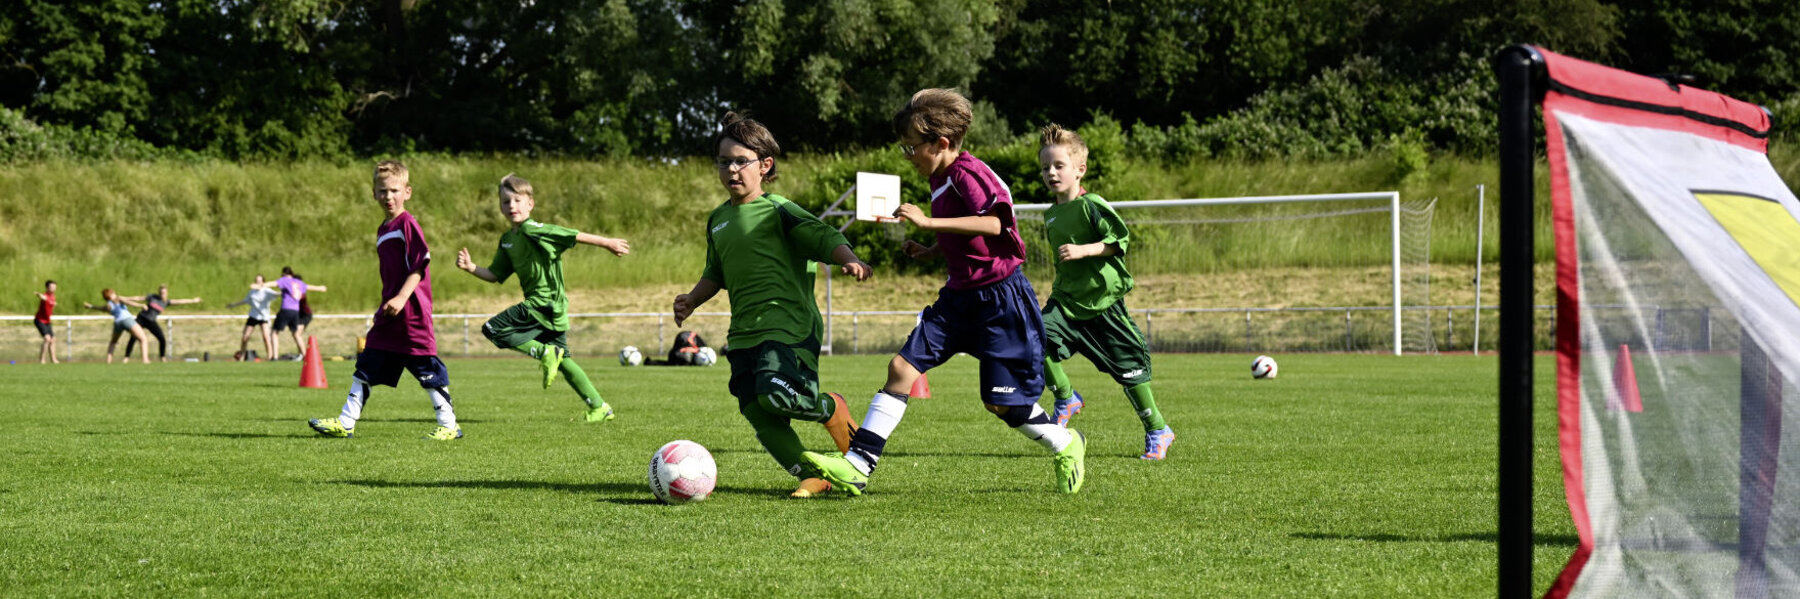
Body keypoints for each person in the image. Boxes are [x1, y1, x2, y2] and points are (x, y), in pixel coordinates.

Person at [803, 89, 1086, 495]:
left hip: (1001, 300)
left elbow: (993, 226)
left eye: (911, 146)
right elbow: (968, 239)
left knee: (1001, 404)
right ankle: (858, 466)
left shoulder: (970, 174)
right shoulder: (940, 177)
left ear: (941, 143)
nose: (908, 155)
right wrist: (932, 250)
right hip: (959, 297)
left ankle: (1066, 443)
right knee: (901, 369)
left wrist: (927, 225)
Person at [673, 113, 871, 498]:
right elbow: (716, 271)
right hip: (745, 331)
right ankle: (814, 475)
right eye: (724, 161)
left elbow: (824, 234)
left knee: (775, 394)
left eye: (740, 160)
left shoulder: (780, 210)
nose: (731, 169)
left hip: (789, 325)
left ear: (764, 166)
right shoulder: (718, 220)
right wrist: (692, 300)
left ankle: (830, 407)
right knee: (758, 410)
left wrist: (848, 258)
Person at [1033, 124, 1173, 460]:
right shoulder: (1050, 214)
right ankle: (1066, 396)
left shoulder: (1092, 204)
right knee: (1032, 339)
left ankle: (1157, 429)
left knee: (1129, 372)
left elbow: (1119, 241)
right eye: (1045, 167)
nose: (1051, 172)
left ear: (1080, 170)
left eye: (1058, 165)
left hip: (1103, 305)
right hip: (1066, 303)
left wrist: (1085, 250)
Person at [455, 173, 629, 424]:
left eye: (517, 200)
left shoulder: (534, 230)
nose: (511, 206)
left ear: (530, 204)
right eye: (506, 202)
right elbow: (495, 275)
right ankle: (599, 407)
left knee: (493, 328)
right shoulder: (508, 240)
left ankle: (544, 352)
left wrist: (607, 242)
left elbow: (571, 234)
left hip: (543, 303)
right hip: (550, 308)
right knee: (565, 359)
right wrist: (471, 268)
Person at [309, 160, 463, 441]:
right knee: (366, 365)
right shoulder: (383, 228)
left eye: (394, 190)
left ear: (407, 192)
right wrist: (389, 302)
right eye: (382, 191)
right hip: (389, 314)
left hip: (412, 314)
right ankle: (346, 422)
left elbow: (420, 265)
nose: (388, 196)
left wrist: (403, 297)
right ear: (373, 194)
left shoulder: (408, 224)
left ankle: (449, 423)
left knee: (426, 368)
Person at [123, 284, 202, 362]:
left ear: (166, 293)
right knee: (133, 338)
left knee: (162, 339)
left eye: (163, 293)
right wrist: (125, 299)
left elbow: (180, 301)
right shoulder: (152, 297)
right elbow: (139, 298)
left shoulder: (166, 302)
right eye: (161, 292)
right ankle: (126, 357)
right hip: (141, 318)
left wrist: (193, 300)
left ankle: (162, 357)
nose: (162, 294)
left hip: (151, 321)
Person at [270, 268, 327, 360]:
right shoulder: (298, 289)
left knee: (295, 334)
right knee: (295, 334)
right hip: (296, 313)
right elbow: (309, 287)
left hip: (304, 315)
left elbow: (303, 290)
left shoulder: (297, 291)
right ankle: (303, 355)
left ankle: (304, 355)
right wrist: (320, 288)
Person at [84, 288, 151, 364]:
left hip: (117, 323)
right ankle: (145, 360)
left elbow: (100, 308)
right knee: (143, 339)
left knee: (113, 342)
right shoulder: (117, 298)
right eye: (113, 292)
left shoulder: (108, 305)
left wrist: (90, 306)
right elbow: (128, 302)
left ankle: (108, 361)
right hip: (127, 320)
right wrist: (140, 305)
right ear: (112, 294)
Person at [227, 275, 280, 361]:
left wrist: (287, 291)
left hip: (264, 317)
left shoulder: (267, 291)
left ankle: (270, 356)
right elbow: (245, 301)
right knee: (245, 337)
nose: (257, 283)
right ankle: (242, 355)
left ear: (263, 282)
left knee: (266, 337)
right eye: (256, 281)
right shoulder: (251, 292)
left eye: (259, 281)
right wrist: (233, 305)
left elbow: (277, 294)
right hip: (253, 316)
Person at [34, 280, 58, 364]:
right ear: (47, 288)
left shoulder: (53, 296)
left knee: (53, 339)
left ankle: (54, 359)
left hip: (47, 321)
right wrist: (38, 294)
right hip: (39, 320)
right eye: (52, 287)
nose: (54, 288)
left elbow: (50, 306)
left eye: (55, 287)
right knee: (47, 339)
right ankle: (42, 360)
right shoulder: (46, 296)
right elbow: (43, 297)